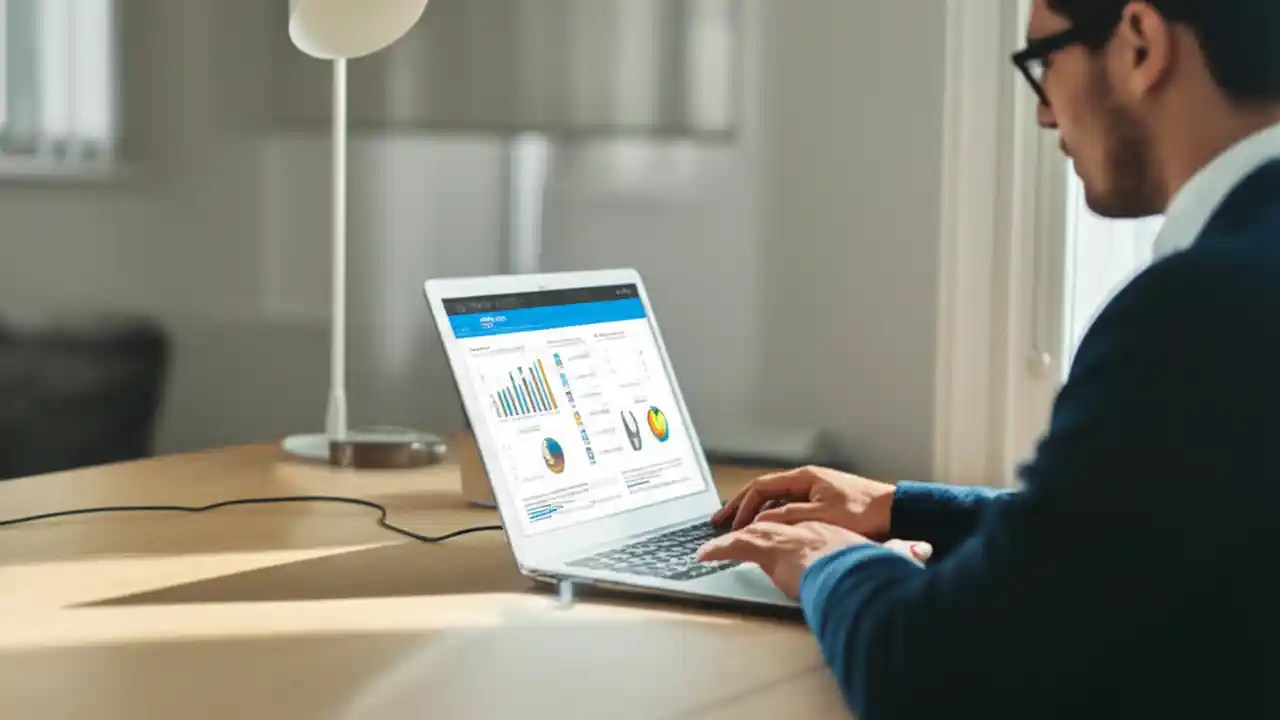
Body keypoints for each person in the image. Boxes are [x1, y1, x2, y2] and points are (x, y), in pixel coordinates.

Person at [698, 1, 1280, 718]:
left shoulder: (1201, 307)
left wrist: (828, 561)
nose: (1043, 115)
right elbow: (1131, 525)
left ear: (1139, 44)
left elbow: (931, 674)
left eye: (1045, 61)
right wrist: (899, 508)